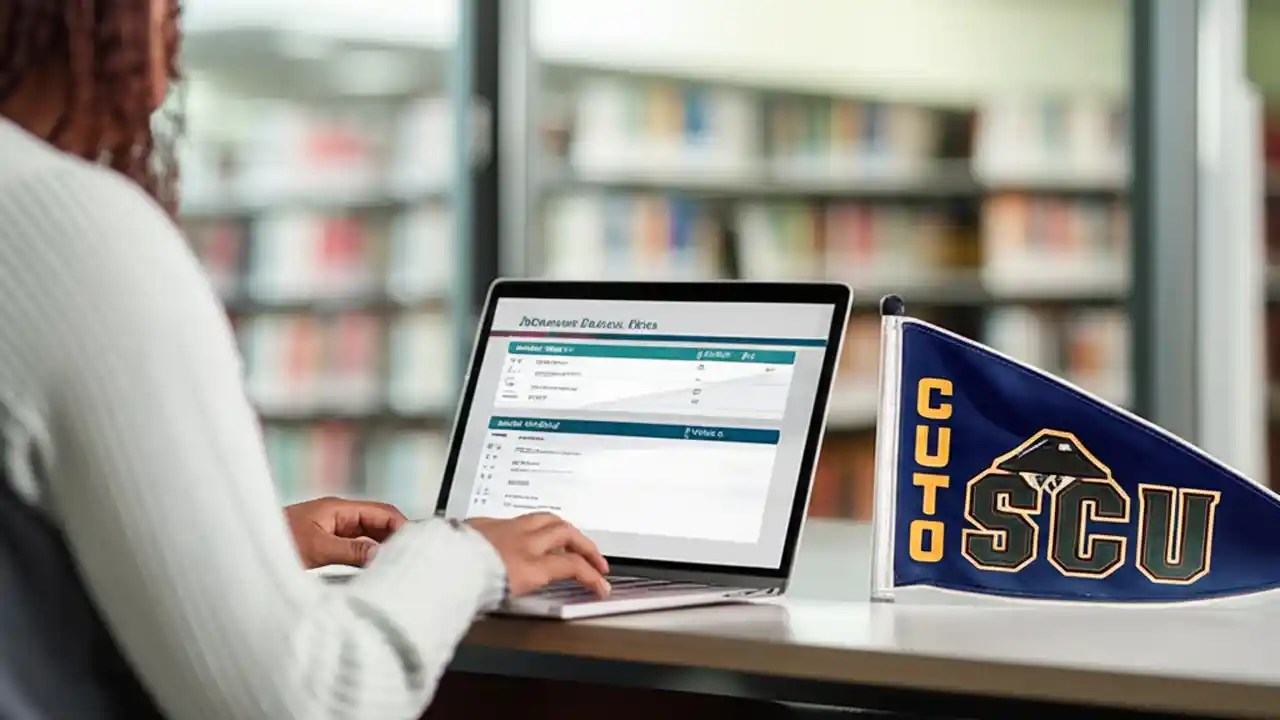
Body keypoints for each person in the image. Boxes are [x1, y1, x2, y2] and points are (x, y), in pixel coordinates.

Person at [0, 1, 611, 718]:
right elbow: (313, 702)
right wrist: (466, 555)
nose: (173, 38)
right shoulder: (71, 229)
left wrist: (231, 555)